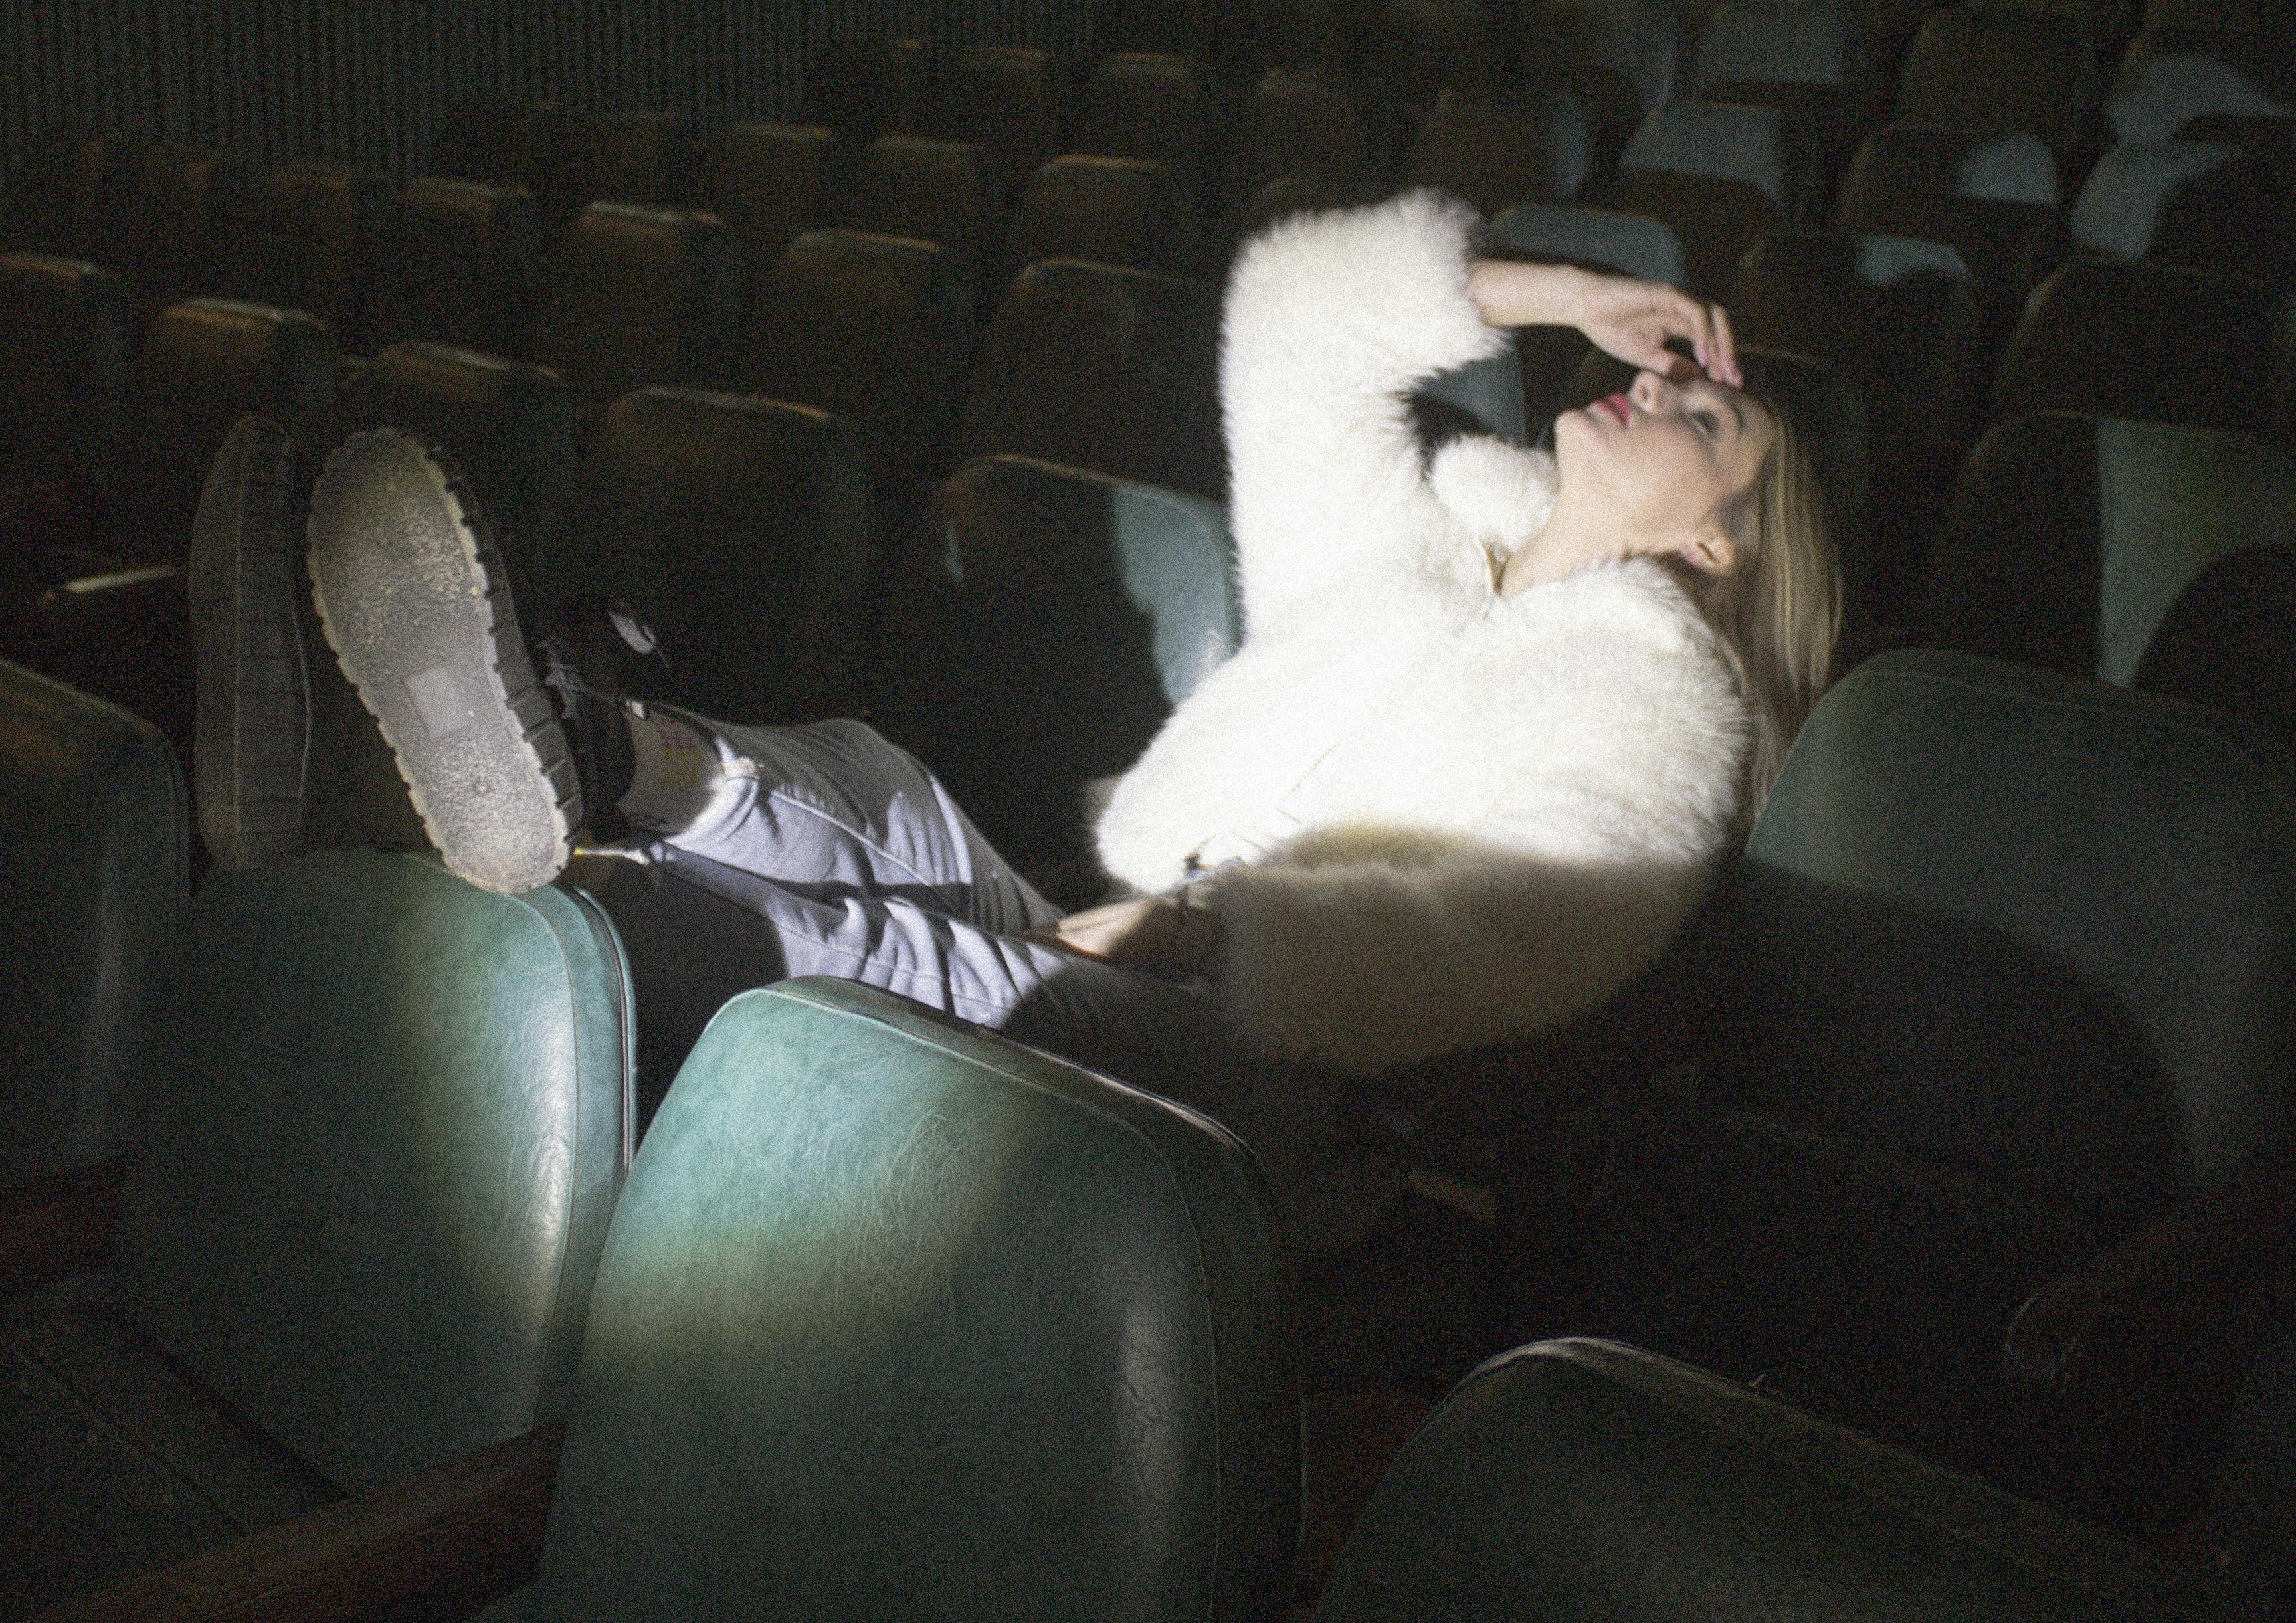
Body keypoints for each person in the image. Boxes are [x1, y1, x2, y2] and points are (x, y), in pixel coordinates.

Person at [191, 190, 1841, 1256]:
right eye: (1667, 370)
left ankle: (474, 867)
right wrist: (1568, 290)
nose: (1657, 385)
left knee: (915, 964)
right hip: (1129, 945)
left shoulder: (1661, 716)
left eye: (1706, 417)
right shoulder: (1423, 546)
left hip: (1290, 1095)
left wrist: (1197, 927)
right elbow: (1296, 320)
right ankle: (576, 756)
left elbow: (1490, 946)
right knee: (879, 782)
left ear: (1717, 545)